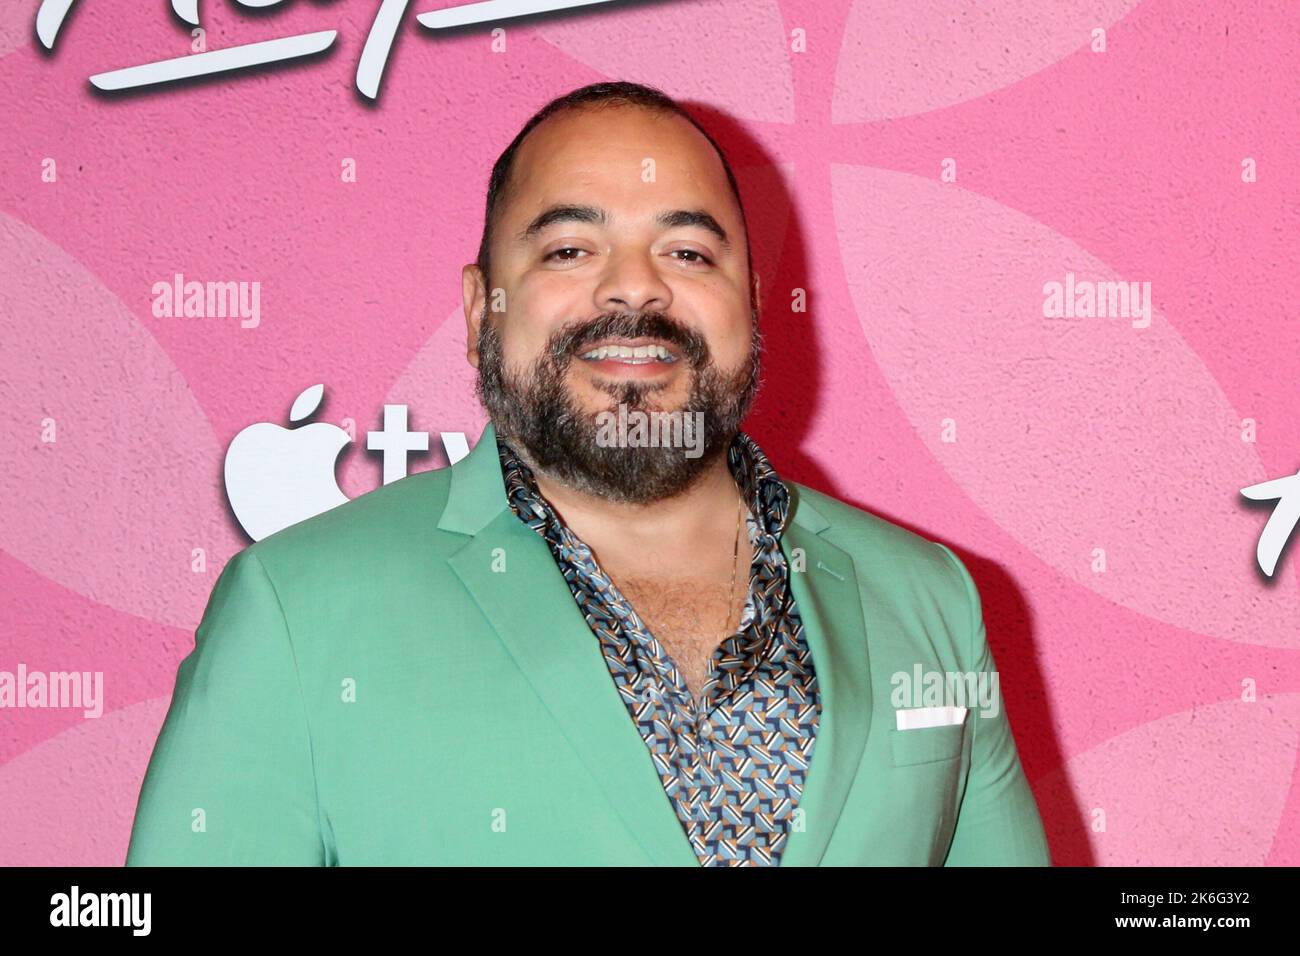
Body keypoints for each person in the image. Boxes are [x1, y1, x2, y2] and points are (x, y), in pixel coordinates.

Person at [125, 80, 1050, 867]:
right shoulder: (296, 610)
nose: (635, 290)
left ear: (753, 305)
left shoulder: (928, 598)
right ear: (482, 308)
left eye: (688, 252)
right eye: (571, 249)